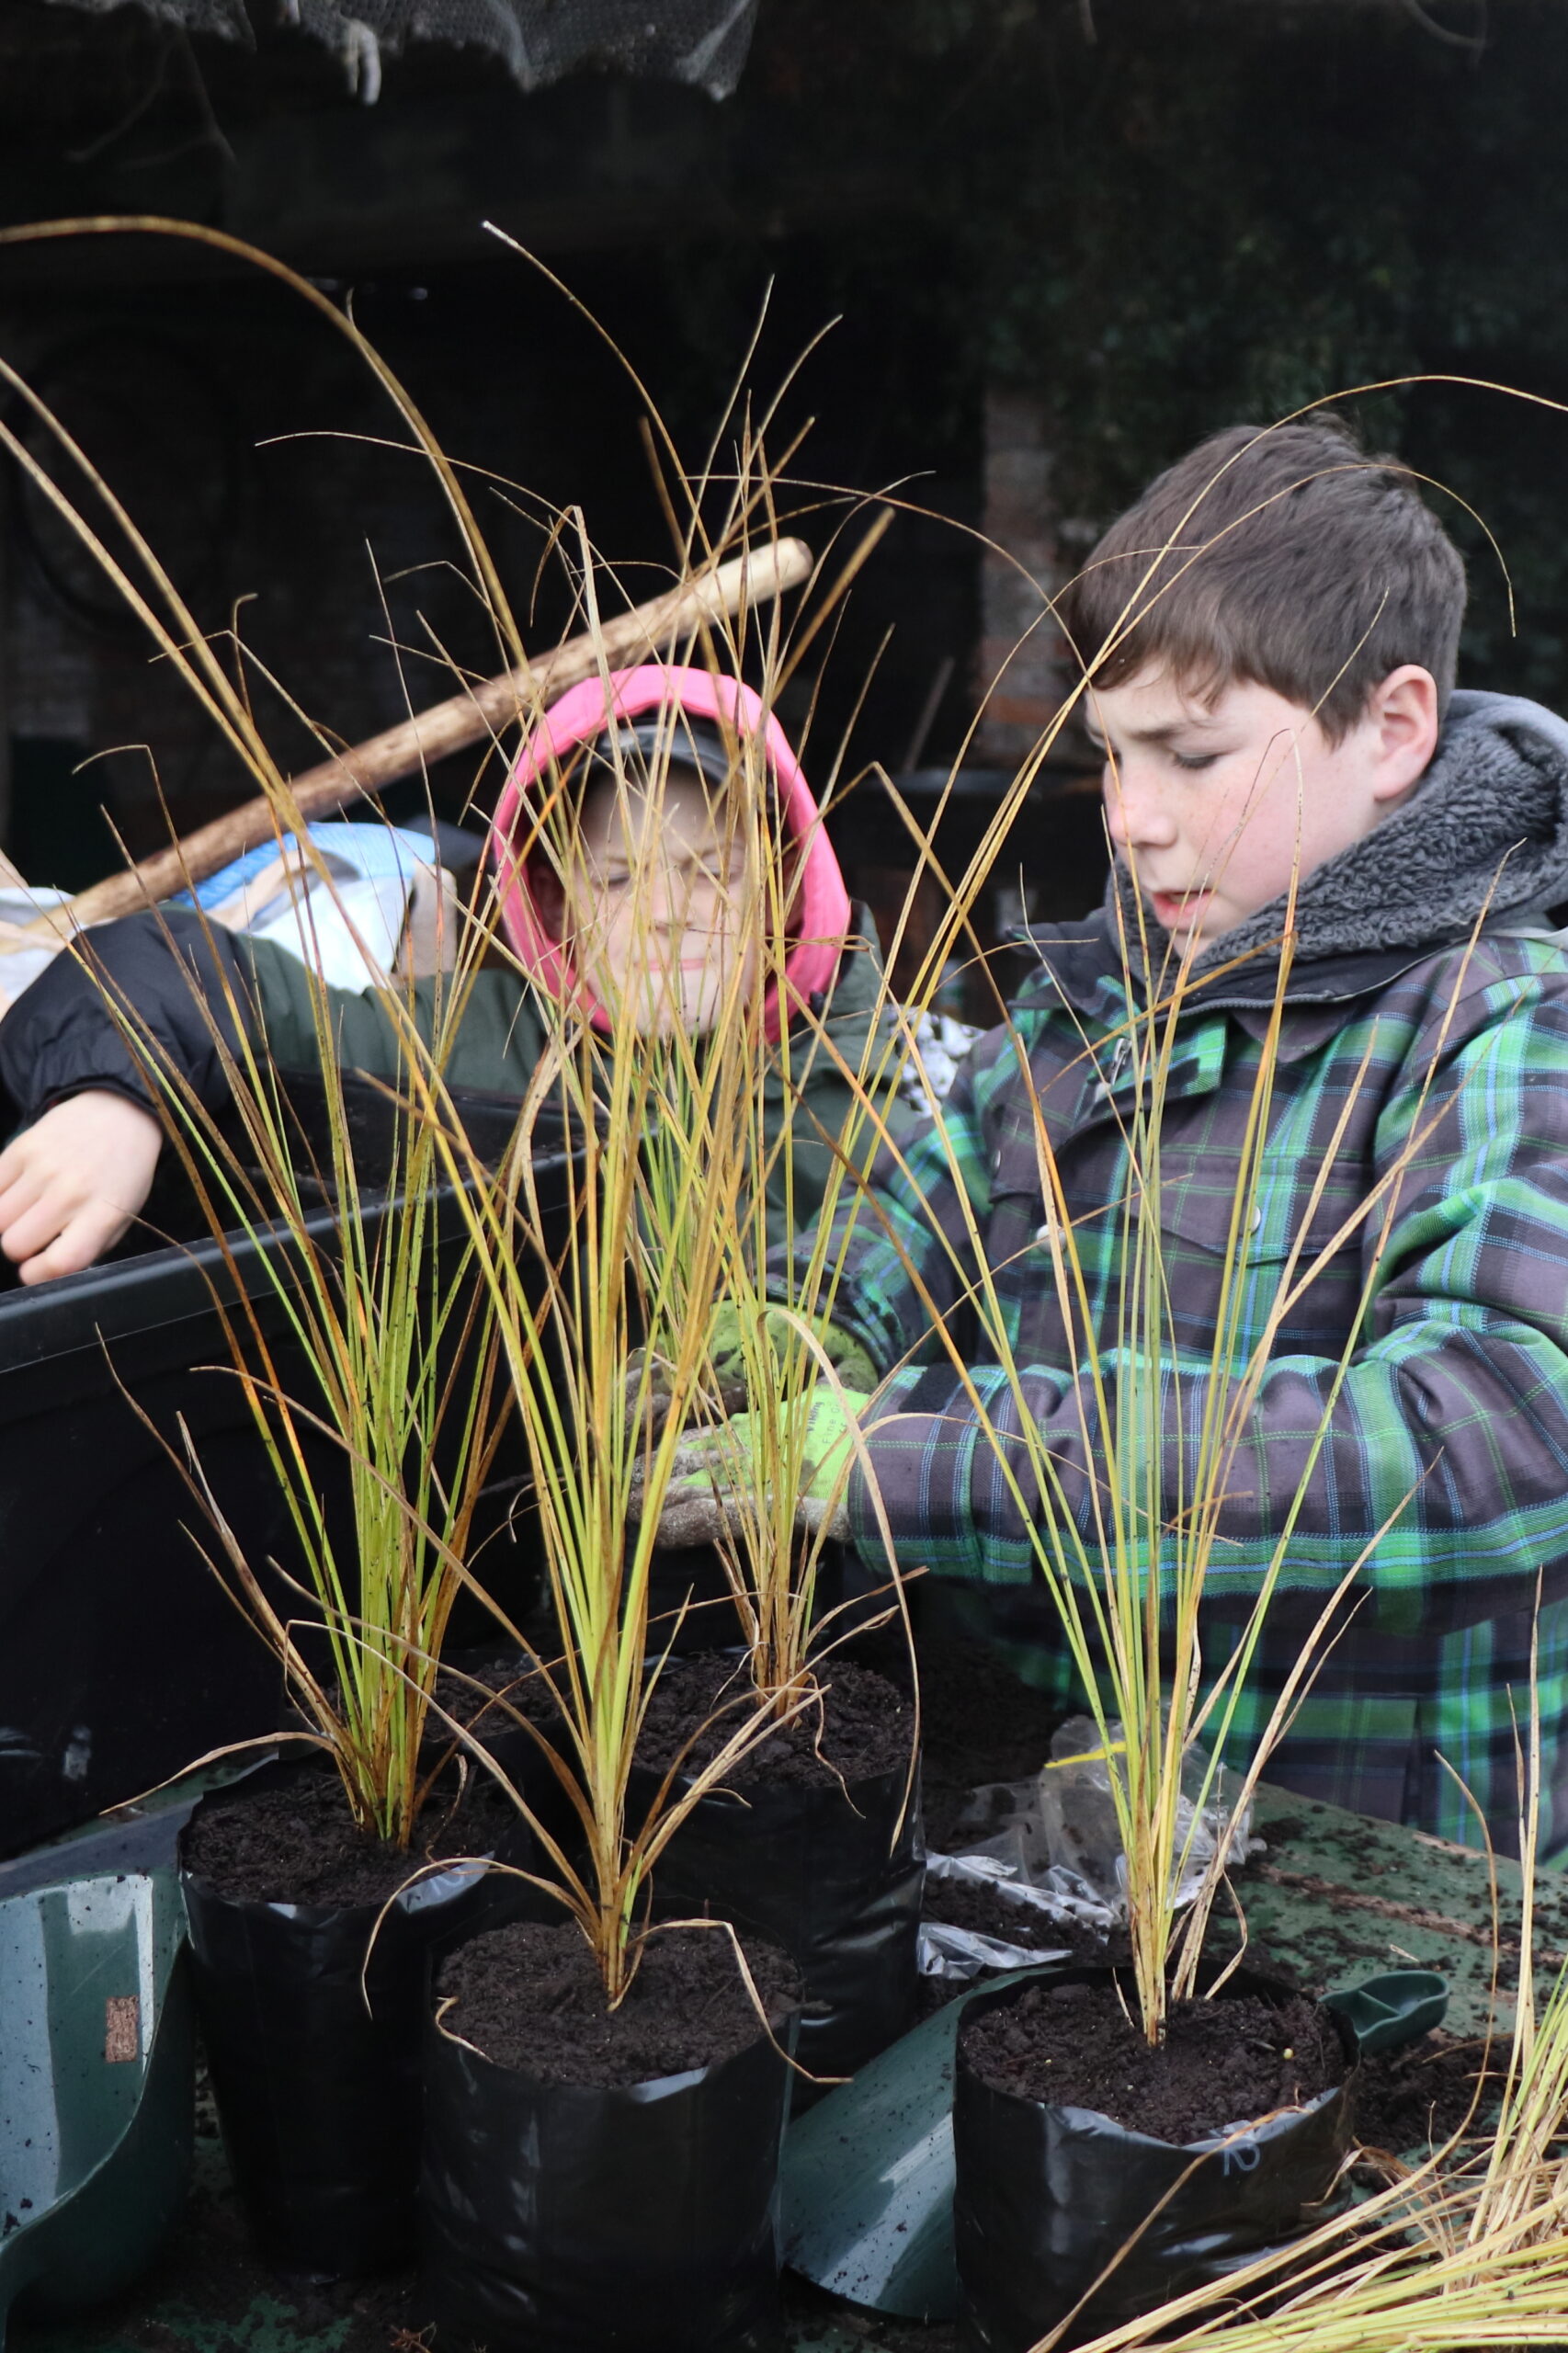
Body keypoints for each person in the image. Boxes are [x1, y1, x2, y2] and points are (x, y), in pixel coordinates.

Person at [665, 417, 1568, 1859]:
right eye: (1105, 756)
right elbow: (927, 1204)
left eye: (1192, 754)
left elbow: (1502, 1430)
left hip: (1356, 1866)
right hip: (1027, 1796)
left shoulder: (1501, 1027)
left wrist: (905, 1469)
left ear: (1391, 730)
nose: (1134, 819)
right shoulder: (1091, 994)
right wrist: (793, 1330)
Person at [0, 667, 890, 1281]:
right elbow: (173, 961)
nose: (667, 908)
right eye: (617, 876)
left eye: (711, 869)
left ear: (783, 881)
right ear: (552, 904)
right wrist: (115, 1096)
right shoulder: (482, 1039)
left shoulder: (892, 1104)